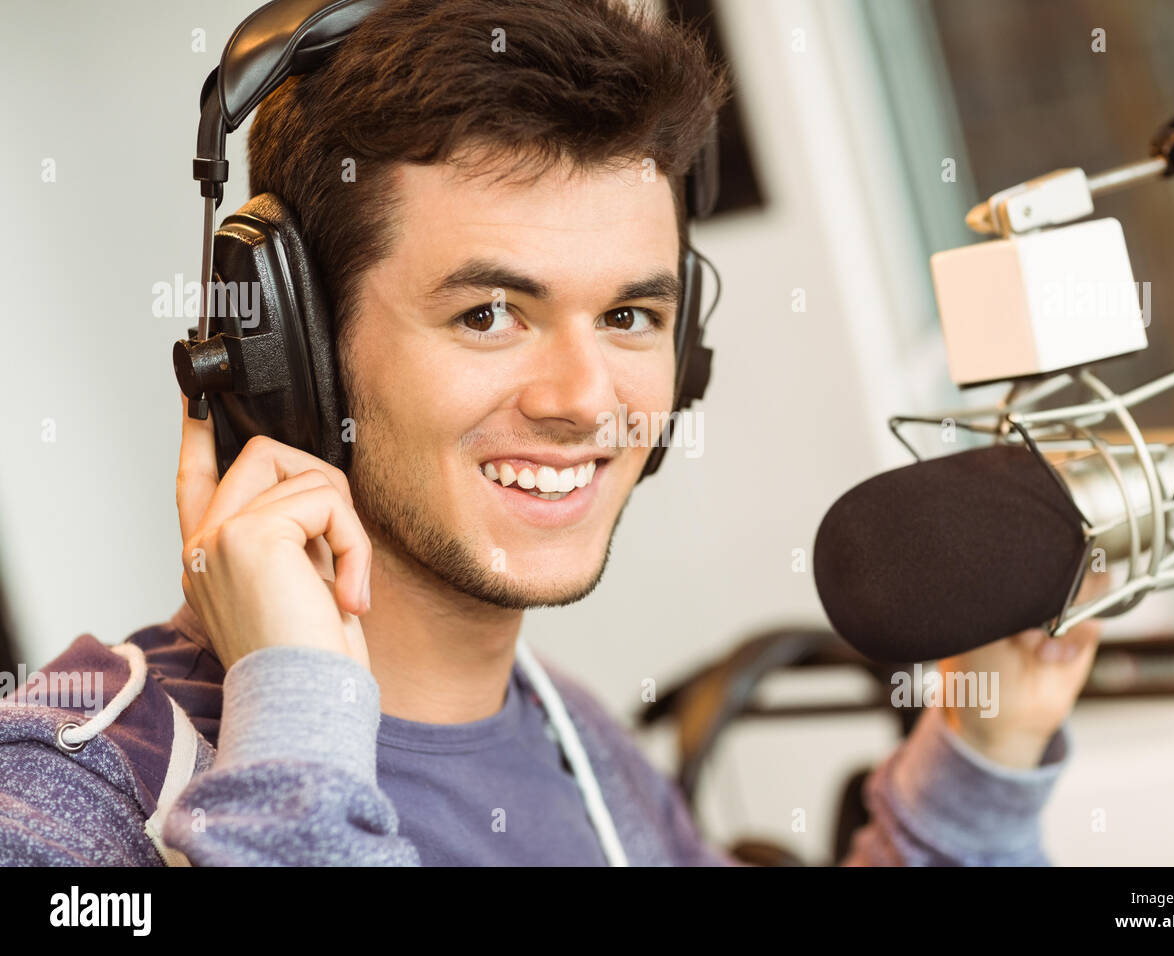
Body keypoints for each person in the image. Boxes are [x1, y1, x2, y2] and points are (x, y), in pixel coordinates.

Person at [0, 0, 1100, 866]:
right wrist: (292, 722)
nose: (583, 397)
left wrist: (979, 746)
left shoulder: (569, 736)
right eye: (488, 313)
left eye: (629, 315)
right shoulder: (66, 796)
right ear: (290, 356)